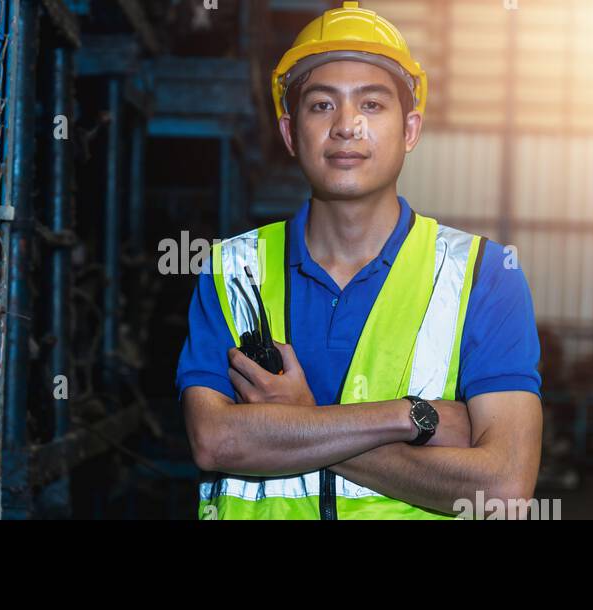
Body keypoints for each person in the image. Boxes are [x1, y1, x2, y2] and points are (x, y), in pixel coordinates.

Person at [176, 1, 543, 519]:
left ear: (410, 130)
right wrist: (409, 418)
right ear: (288, 133)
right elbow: (215, 441)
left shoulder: (484, 275)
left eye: (372, 105)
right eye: (322, 105)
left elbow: (502, 488)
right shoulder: (232, 270)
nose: (347, 126)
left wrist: (300, 422)